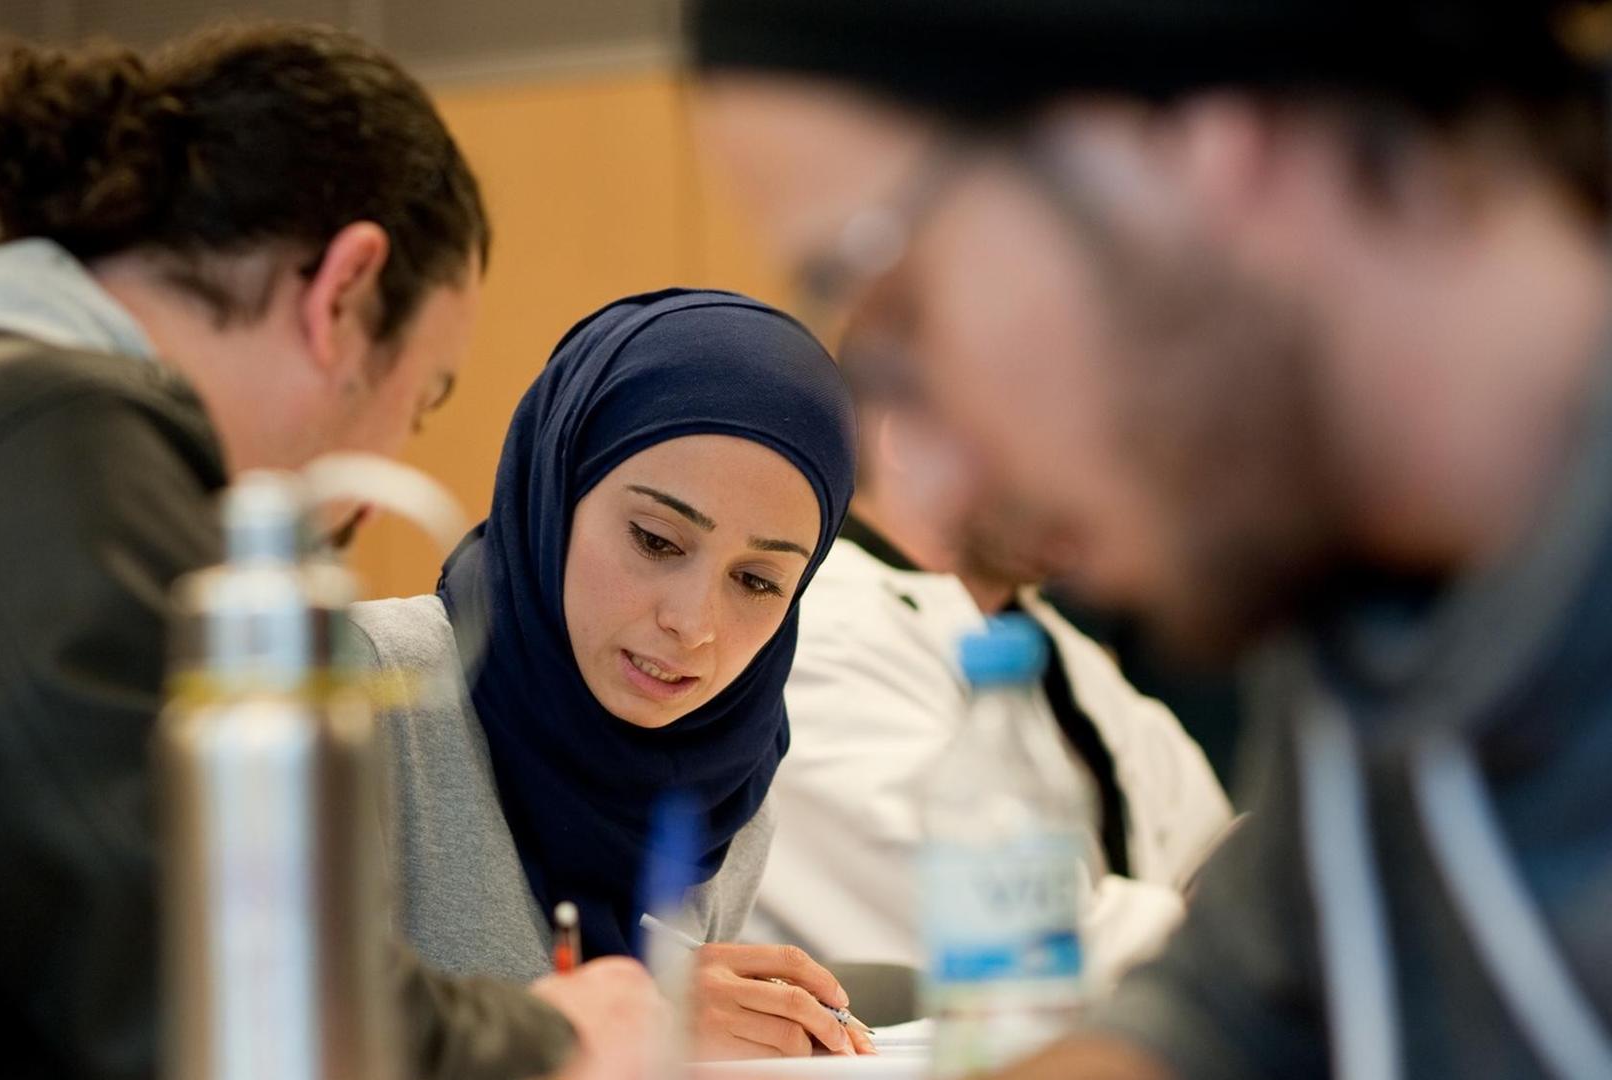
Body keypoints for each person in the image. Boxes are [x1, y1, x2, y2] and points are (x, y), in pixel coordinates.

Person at [0, 23, 660, 1080]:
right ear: (343, 292)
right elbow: (234, 1003)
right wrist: (562, 1039)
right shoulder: (40, 442)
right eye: (420, 397)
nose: (377, 493)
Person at [687, 1, 1612, 1077]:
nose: (932, 470)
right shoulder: (1367, 612)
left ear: (1205, 132)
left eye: (906, 306)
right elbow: (1221, 1015)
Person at [349, 288, 876, 1060]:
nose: (693, 625)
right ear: (555, 492)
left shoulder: (730, 777)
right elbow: (255, 1041)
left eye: (758, 582)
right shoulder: (361, 688)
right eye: (657, 540)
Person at [748, 403, 1231, 988]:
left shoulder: (1049, 641)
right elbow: (1019, 940)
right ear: (912, 433)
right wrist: (1238, 934)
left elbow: (1219, 853)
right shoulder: (811, 630)